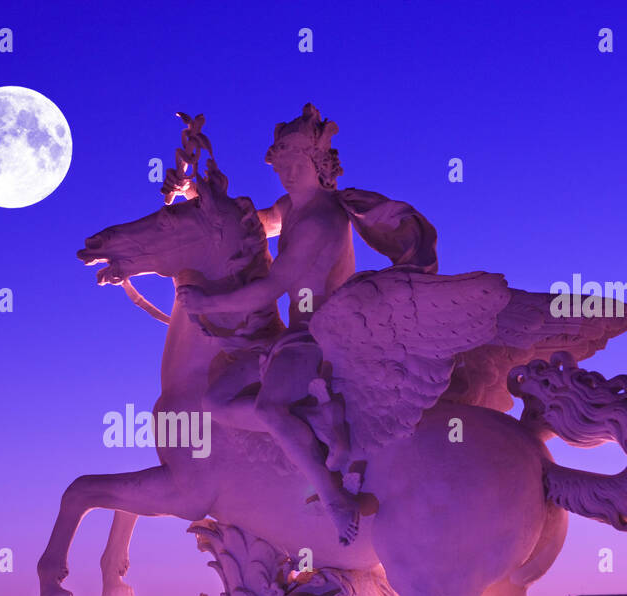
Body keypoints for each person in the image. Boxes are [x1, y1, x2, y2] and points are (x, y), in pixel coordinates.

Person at [176, 104, 436, 544]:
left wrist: (208, 300)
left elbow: (271, 286)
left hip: (318, 339)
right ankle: (317, 419)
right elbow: (251, 227)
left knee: (268, 409)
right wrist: (193, 196)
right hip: (287, 338)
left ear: (318, 165)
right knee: (215, 400)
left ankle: (335, 496)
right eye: (282, 166)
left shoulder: (321, 219)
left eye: (297, 165)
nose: (288, 174)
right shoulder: (290, 208)